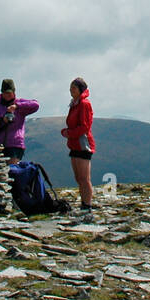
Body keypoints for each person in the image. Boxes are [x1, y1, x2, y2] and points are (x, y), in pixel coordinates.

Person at [60, 77, 95, 217]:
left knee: (84, 178)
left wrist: (69, 133)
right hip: (74, 144)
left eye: (73, 88)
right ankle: (83, 204)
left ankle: (87, 205)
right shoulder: (74, 104)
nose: (70, 90)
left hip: (83, 144)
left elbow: (85, 126)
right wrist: (67, 133)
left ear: (80, 89)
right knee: (78, 178)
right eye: (70, 88)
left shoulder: (84, 104)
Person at [0, 78, 39, 164]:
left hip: (15, 144)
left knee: (13, 171)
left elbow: (35, 105)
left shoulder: (19, 103)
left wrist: (17, 106)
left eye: (10, 93)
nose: (8, 95)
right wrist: (2, 120)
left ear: (14, 92)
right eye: (5, 93)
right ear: (2, 92)